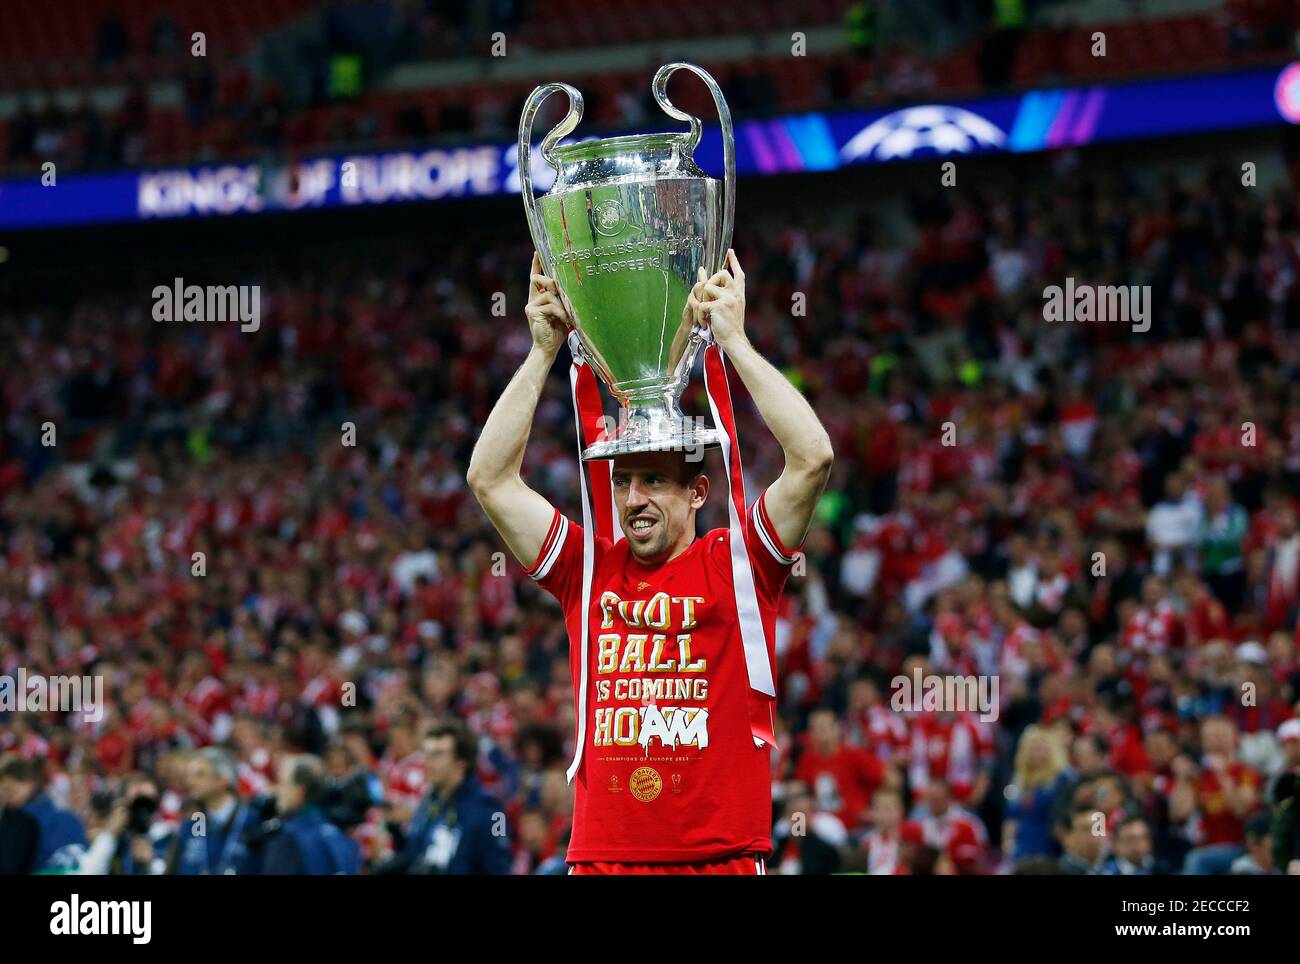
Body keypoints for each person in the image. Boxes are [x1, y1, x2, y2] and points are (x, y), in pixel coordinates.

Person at [467, 249, 833, 874]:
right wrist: (541, 352)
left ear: (697, 491)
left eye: (655, 481)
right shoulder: (588, 569)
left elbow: (813, 457)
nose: (633, 498)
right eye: (623, 480)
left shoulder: (738, 563)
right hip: (603, 861)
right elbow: (490, 479)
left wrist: (736, 343)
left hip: (715, 861)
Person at [378, 721, 511, 875]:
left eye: (437, 754)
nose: (428, 762)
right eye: (426, 754)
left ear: (461, 762)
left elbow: (499, 868)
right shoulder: (428, 805)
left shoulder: (492, 812)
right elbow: (415, 855)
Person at [163, 748, 260, 875]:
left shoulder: (254, 821)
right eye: (190, 776)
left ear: (223, 780)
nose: (190, 782)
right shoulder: (189, 827)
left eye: (200, 775)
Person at [260, 755, 360, 875]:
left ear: (299, 792)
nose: (278, 791)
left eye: (283, 783)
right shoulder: (341, 837)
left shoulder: (287, 840)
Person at [1, 757, 86, 871]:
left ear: (28, 785)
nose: (4, 795)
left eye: (9, 790)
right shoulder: (68, 815)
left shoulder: (25, 819)